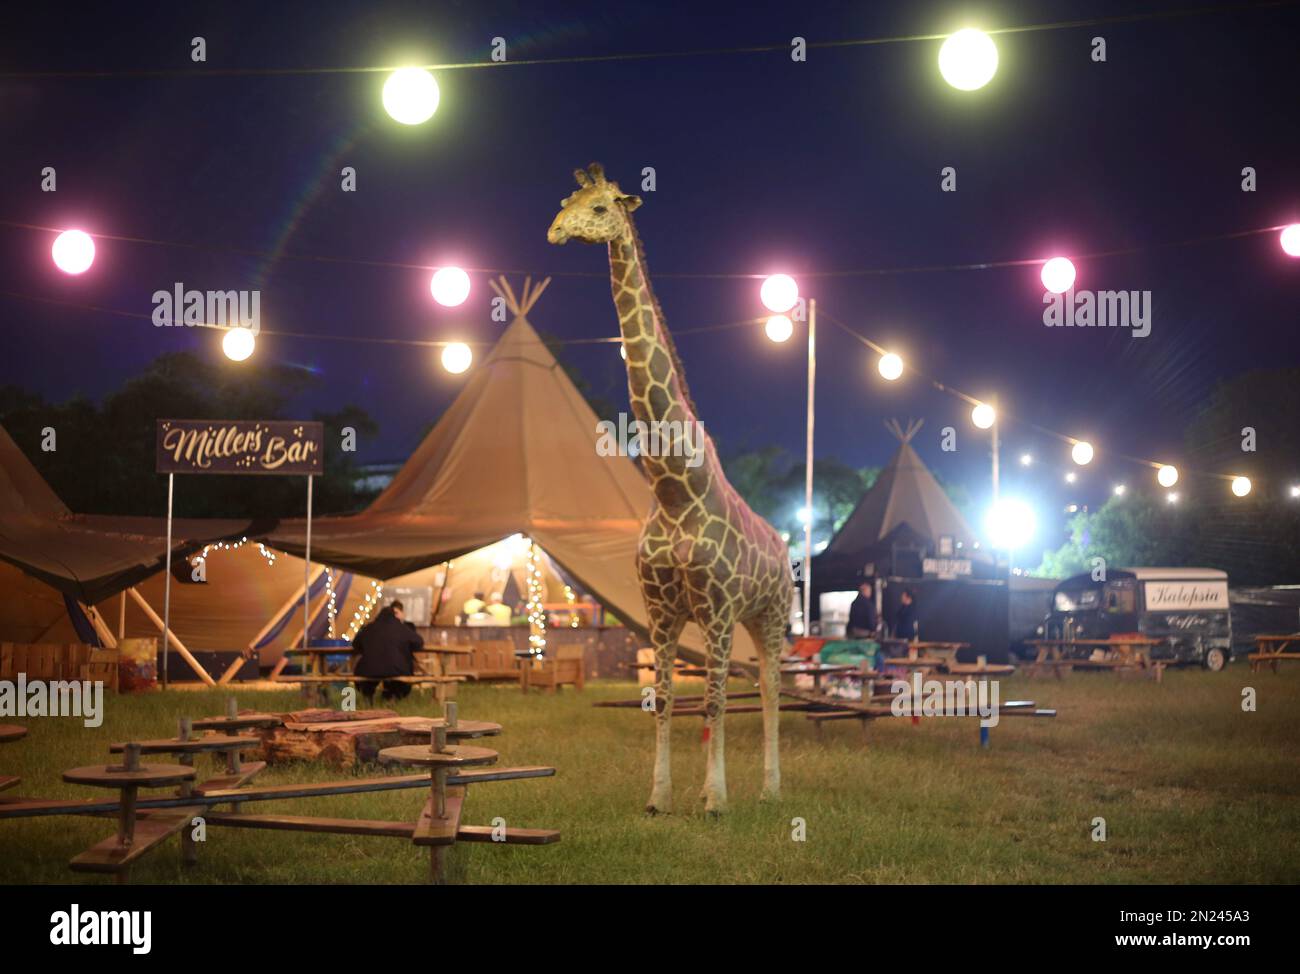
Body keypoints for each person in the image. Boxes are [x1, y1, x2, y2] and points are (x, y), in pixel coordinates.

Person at [352, 600, 423, 704]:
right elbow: (419, 643)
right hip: (397, 669)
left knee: (367, 674)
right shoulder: (402, 628)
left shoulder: (369, 628)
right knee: (401, 670)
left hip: (368, 670)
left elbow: (355, 644)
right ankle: (393, 699)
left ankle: (368, 697)